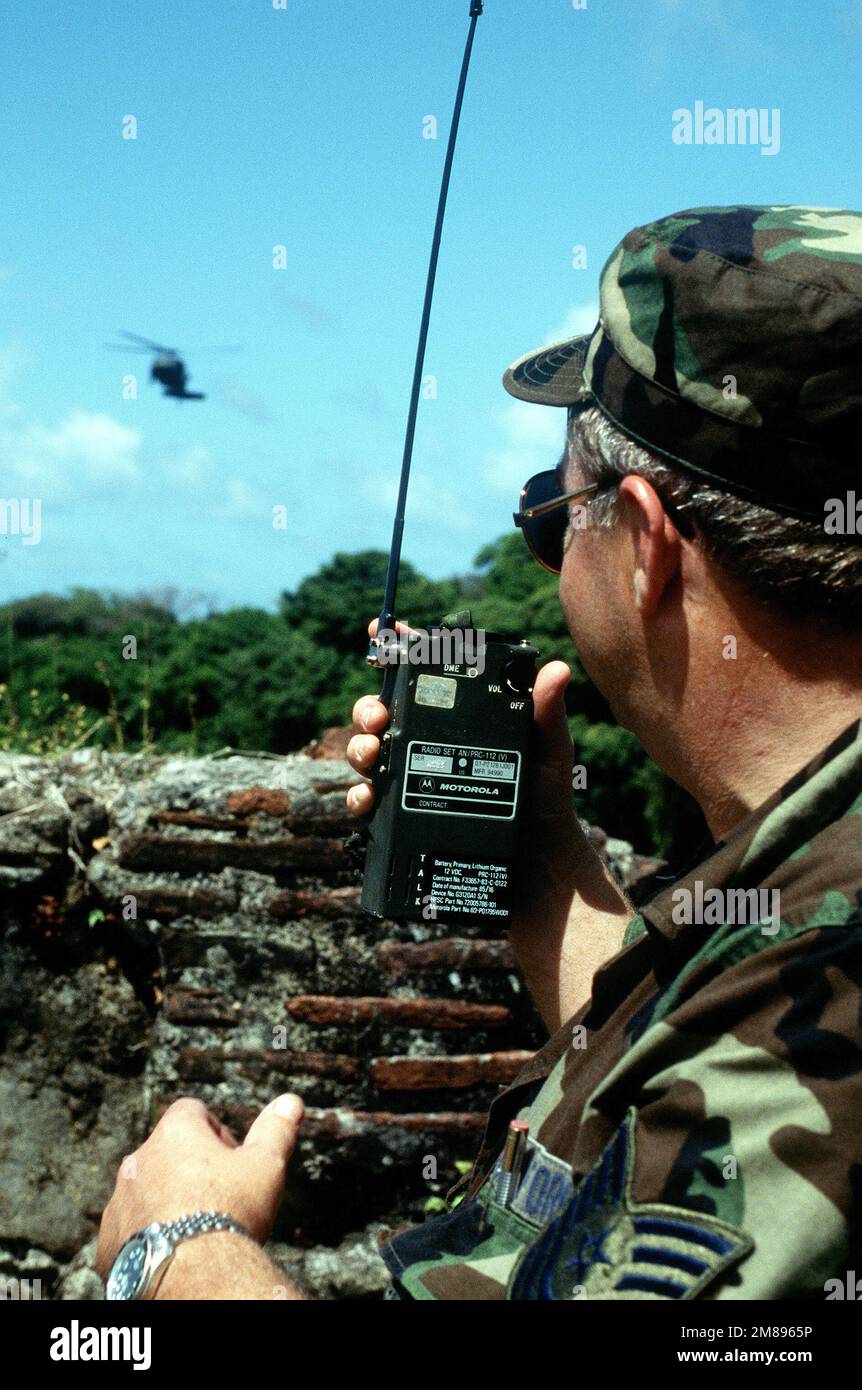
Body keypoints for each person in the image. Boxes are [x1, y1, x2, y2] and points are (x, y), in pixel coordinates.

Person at [97, 204, 862, 1301]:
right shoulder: (801, 879)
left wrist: (175, 1252)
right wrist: (538, 853)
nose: (553, 552)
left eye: (553, 514)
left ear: (642, 543)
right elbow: (709, 1051)